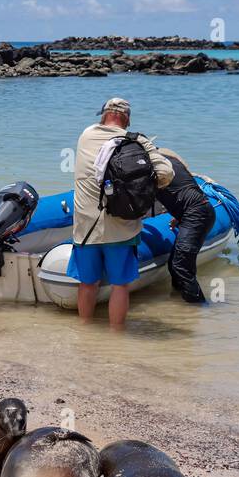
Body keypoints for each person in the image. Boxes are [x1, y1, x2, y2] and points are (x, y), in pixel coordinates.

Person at [68, 97, 172, 326]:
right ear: (127, 119)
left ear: (104, 115)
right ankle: (117, 337)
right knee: (120, 286)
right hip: (122, 228)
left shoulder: (86, 135)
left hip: (87, 228)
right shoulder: (138, 142)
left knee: (87, 283)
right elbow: (166, 173)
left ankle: (84, 330)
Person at [152, 147, 213, 303]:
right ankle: (182, 308)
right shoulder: (168, 162)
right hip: (197, 212)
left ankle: (198, 307)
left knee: (180, 266)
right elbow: (183, 190)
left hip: (197, 215)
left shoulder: (155, 168)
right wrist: (179, 216)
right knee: (175, 266)